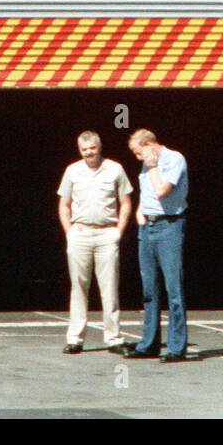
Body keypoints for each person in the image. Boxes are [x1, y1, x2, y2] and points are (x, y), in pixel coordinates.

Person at [57, 131, 132, 354]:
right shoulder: (72, 171)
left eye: (92, 148)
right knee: (79, 287)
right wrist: (69, 232)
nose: (89, 153)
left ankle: (113, 338)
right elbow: (64, 205)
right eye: (84, 150)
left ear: (100, 147)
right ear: (80, 151)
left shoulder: (115, 169)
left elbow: (126, 202)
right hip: (80, 233)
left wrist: (118, 231)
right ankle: (75, 338)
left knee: (109, 288)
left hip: (106, 234)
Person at [122, 129, 190, 363]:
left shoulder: (174, 159)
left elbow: (162, 190)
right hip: (148, 226)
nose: (138, 158)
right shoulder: (146, 164)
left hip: (169, 225)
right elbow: (148, 191)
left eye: (139, 152)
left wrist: (152, 168)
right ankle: (149, 343)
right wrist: (140, 211)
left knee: (173, 289)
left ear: (150, 144)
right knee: (149, 290)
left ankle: (176, 347)